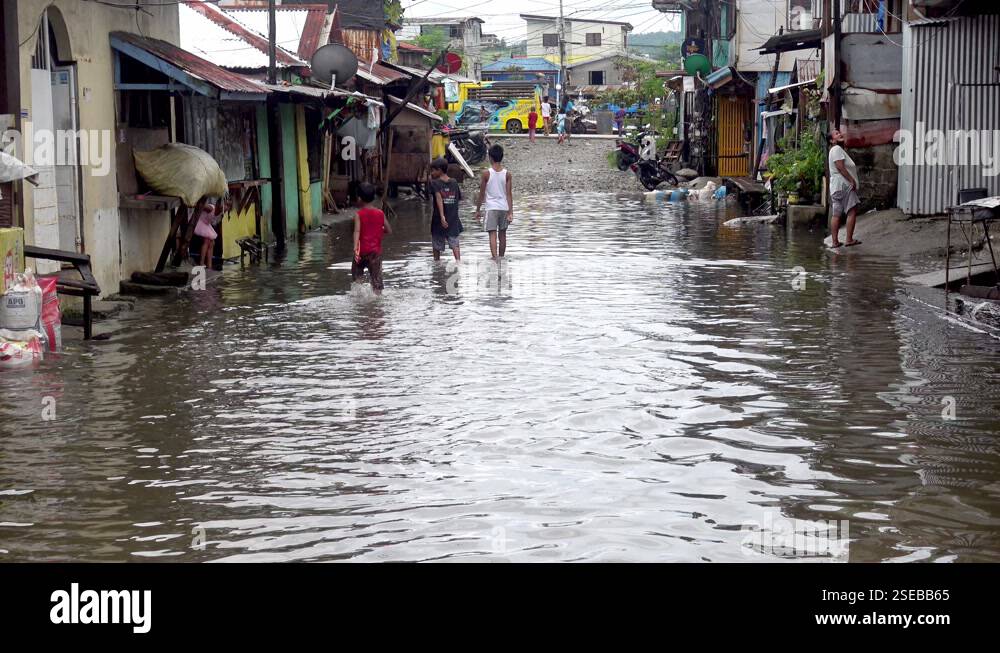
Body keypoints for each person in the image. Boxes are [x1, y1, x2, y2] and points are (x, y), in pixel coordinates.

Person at [475, 144, 514, 262]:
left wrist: (477, 210)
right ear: (501, 157)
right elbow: (509, 194)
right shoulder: (507, 174)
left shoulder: (486, 173)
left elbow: (482, 194)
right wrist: (510, 211)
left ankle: (494, 258)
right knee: (503, 235)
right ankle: (502, 258)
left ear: (490, 157)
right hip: (504, 207)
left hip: (491, 208)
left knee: (492, 234)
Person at [352, 182, 392, 294]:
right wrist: (379, 230)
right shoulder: (380, 213)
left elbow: (357, 231)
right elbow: (389, 230)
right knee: (376, 282)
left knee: (357, 279)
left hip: (361, 251)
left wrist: (355, 248)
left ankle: (358, 299)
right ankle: (377, 301)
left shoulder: (358, 214)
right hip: (375, 253)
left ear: (359, 198)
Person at [828, 128, 861, 248]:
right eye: (836, 134)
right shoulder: (837, 149)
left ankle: (835, 242)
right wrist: (851, 180)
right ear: (832, 140)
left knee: (836, 214)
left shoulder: (833, 150)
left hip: (835, 187)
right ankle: (849, 239)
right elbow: (840, 167)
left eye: (839, 132)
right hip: (843, 185)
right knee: (852, 210)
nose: (840, 134)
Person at [429, 158, 463, 261]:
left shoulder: (435, 183)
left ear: (439, 170)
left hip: (439, 220)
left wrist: (442, 217)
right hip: (453, 219)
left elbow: (439, 198)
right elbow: (458, 199)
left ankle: (436, 265)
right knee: (455, 245)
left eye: (433, 170)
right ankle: (458, 264)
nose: (432, 173)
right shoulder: (454, 182)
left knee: (436, 245)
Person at [193, 201, 222, 268]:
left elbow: (214, 222)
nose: (226, 207)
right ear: (218, 204)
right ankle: (201, 262)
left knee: (212, 243)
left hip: (206, 224)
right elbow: (200, 204)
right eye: (225, 205)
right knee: (207, 240)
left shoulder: (221, 213)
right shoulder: (210, 208)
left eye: (228, 206)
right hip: (199, 221)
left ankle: (209, 264)